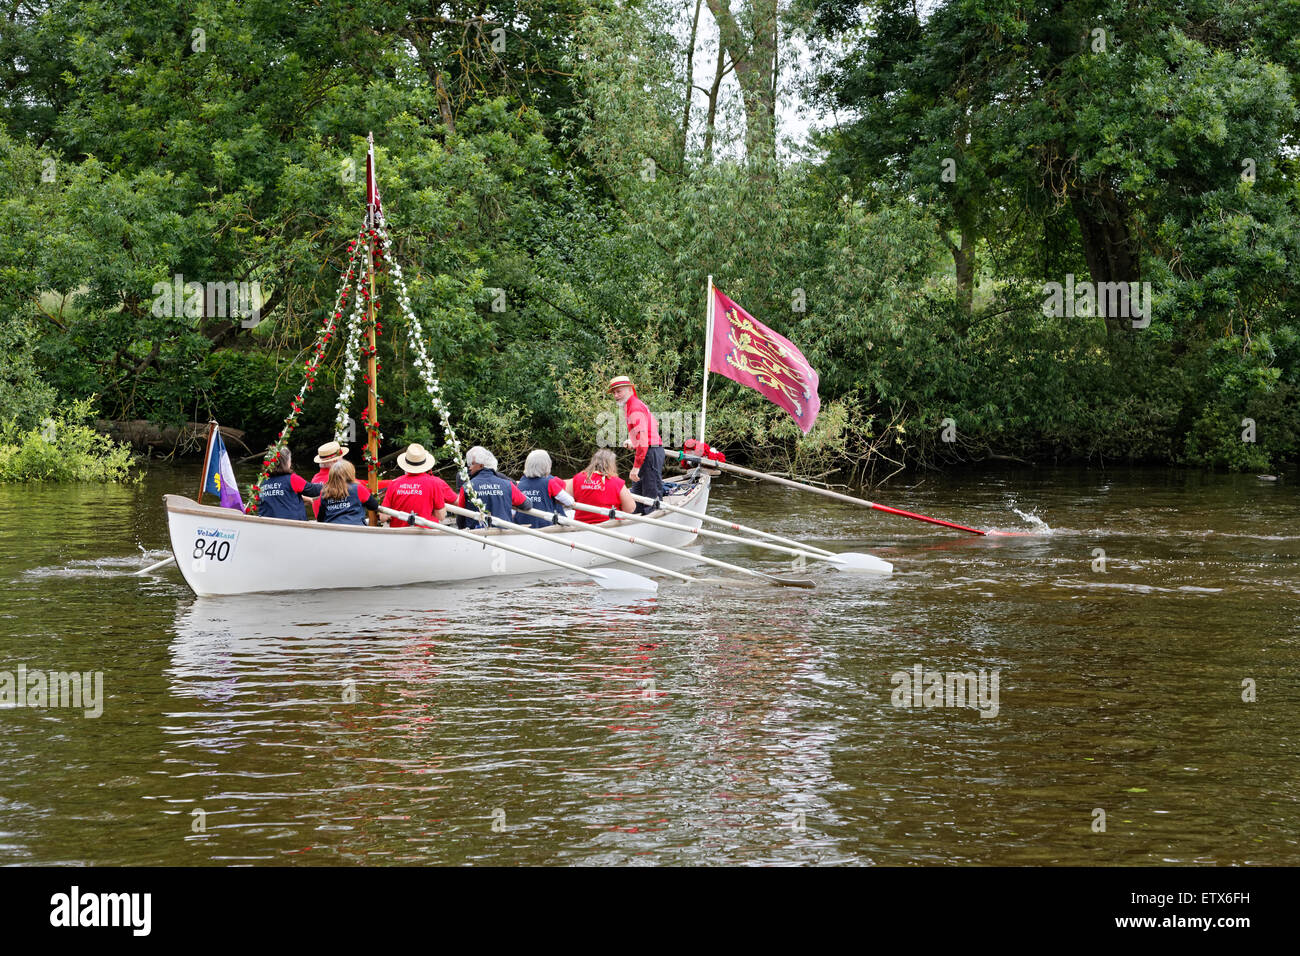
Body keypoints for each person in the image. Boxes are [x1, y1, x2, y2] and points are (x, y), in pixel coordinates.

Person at [607, 375, 663, 513]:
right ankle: (635, 519)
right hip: (648, 451)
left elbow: (644, 440)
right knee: (636, 495)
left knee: (651, 498)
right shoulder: (634, 404)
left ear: (629, 389)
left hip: (650, 453)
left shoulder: (635, 407)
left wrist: (636, 467)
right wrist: (633, 440)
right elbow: (655, 423)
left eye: (619, 391)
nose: (616, 395)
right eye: (614, 392)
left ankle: (652, 521)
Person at [455, 446, 530, 529]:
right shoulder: (508, 484)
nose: (469, 467)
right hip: (504, 535)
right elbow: (527, 505)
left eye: (472, 464)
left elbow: (460, 518)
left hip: (476, 536)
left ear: (481, 465)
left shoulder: (467, 487)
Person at [382, 443, 448, 528]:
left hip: (399, 535)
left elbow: (383, 517)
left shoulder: (394, 484)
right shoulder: (434, 483)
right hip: (426, 534)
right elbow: (441, 516)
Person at [566, 448, 636, 524]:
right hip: (609, 525)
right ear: (612, 464)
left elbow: (565, 499)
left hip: (582, 525)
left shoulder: (577, 478)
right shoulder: (617, 482)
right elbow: (630, 509)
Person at [514, 449, 576, 529]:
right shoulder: (549, 482)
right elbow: (570, 501)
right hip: (544, 527)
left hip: (522, 526)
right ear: (547, 465)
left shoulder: (520, 483)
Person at [256, 447, 322, 520]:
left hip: (267, 523)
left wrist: (303, 499)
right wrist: (328, 484)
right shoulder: (292, 479)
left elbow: (277, 497)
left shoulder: (263, 482)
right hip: (292, 524)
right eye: (290, 460)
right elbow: (313, 491)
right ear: (286, 462)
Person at [315, 459, 380, 526]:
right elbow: (374, 505)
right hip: (355, 528)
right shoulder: (358, 488)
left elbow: (320, 518)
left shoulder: (325, 491)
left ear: (331, 474)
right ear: (350, 473)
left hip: (332, 530)